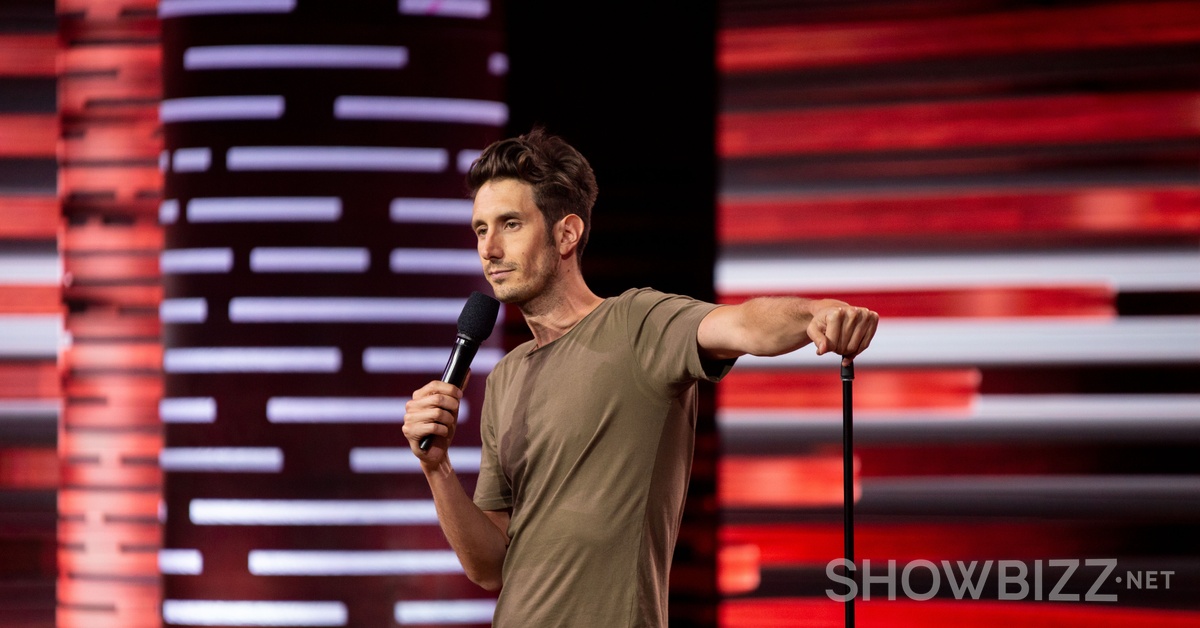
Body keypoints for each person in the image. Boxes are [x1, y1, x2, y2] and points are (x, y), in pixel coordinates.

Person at [402, 128, 878, 627]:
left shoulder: (637, 323)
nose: (490, 248)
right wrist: (438, 469)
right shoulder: (504, 377)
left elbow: (744, 324)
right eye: (480, 229)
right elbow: (489, 567)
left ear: (567, 233)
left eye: (510, 224)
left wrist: (818, 314)